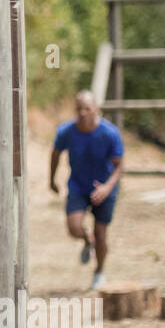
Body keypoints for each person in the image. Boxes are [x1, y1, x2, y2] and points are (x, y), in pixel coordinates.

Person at [50, 91, 124, 290]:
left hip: (104, 188)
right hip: (78, 186)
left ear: (96, 110)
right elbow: (55, 154)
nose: (82, 113)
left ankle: (99, 272)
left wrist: (108, 187)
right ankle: (86, 240)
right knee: (74, 228)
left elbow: (119, 166)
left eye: (87, 109)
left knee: (101, 233)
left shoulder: (109, 133)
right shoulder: (66, 131)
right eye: (79, 109)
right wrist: (52, 180)